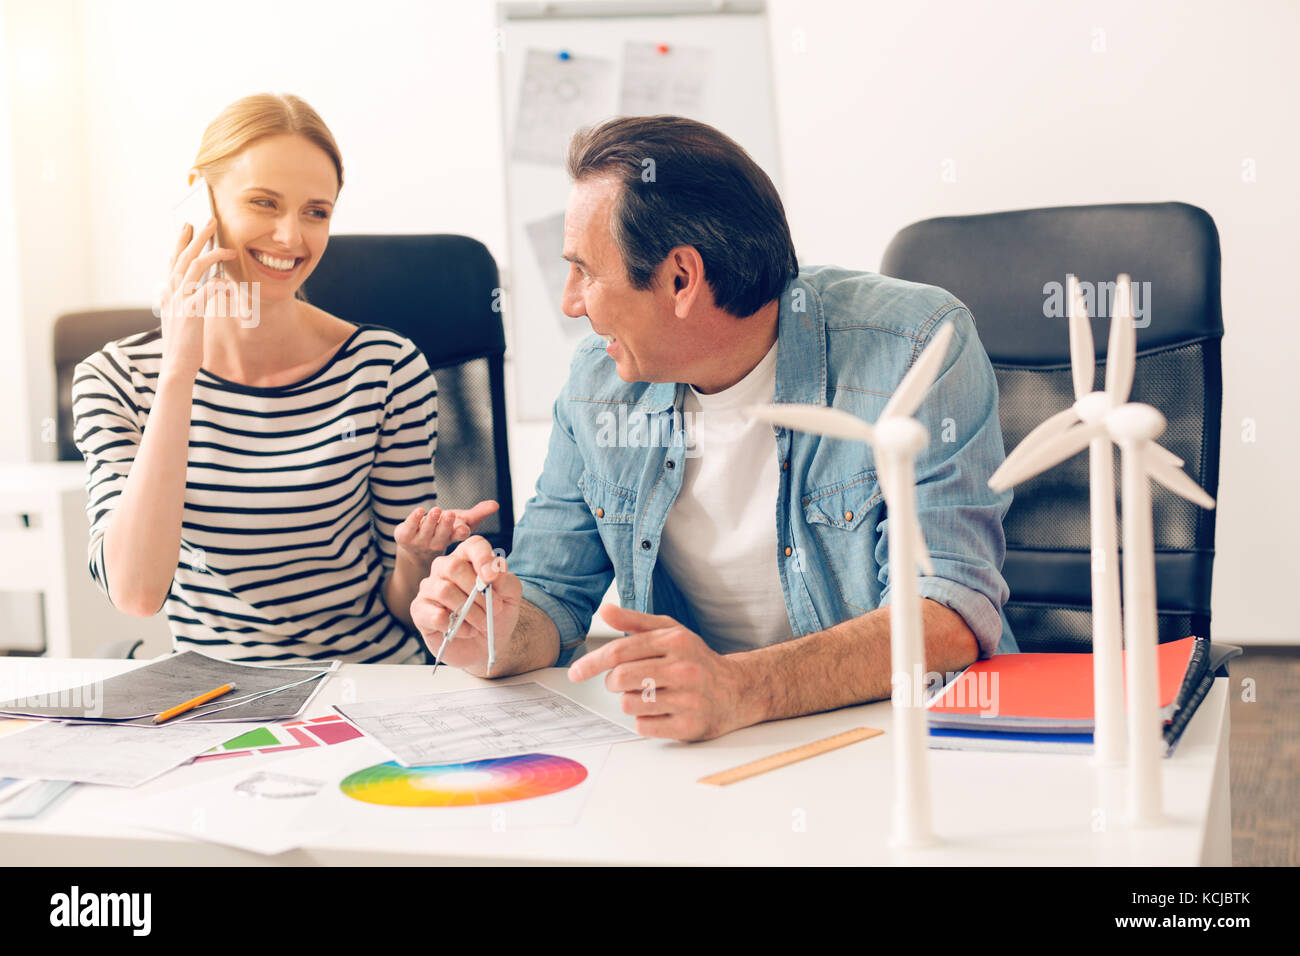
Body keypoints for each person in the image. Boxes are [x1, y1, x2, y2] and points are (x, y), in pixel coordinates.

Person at [412, 115, 1014, 736]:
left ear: (680, 279)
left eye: (585, 271)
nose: (570, 302)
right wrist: (490, 629)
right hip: (700, 744)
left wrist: (743, 687)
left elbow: (948, 612)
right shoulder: (597, 386)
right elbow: (548, 594)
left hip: (896, 741)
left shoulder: (916, 347)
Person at [72, 93, 495, 663]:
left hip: (372, 684)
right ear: (201, 198)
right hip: (219, 698)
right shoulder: (116, 380)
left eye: (315, 212)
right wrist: (178, 372)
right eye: (263, 203)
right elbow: (137, 593)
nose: (291, 238)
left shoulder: (385, 368)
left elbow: (404, 606)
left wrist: (417, 560)